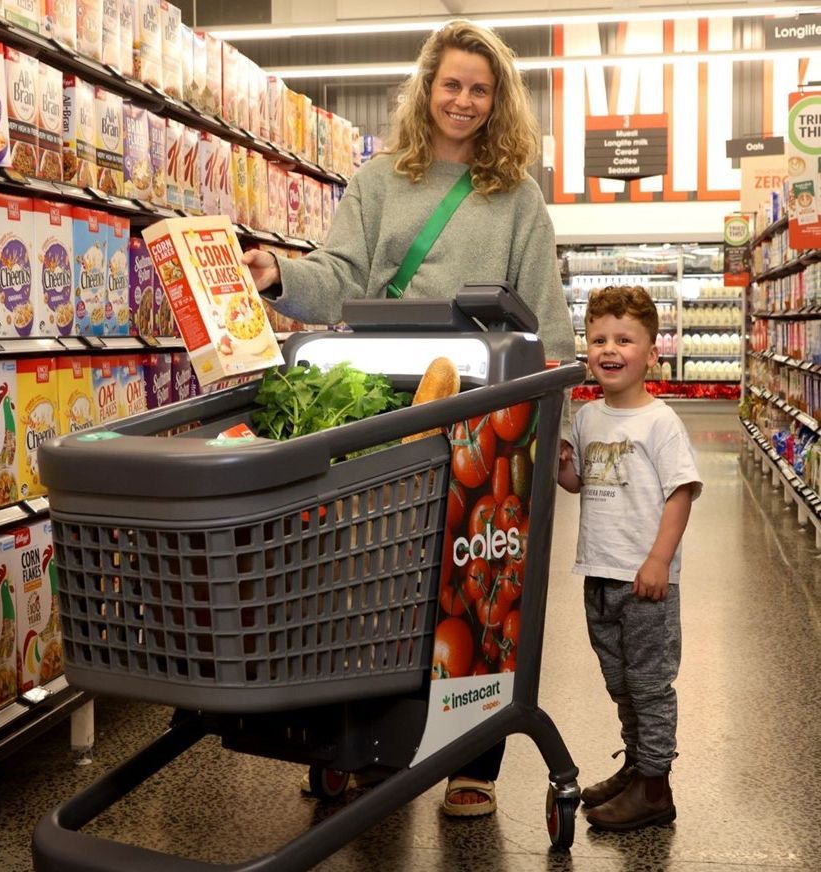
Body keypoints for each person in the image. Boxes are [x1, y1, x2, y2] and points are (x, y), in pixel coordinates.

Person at [243, 20, 575, 817]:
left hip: (486, 411)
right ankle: (368, 743)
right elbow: (339, 274)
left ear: (498, 102)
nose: (464, 100)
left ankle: (471, 760)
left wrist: (555, 430)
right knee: (373, 576)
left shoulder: (518, 197)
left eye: (480, 89)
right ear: (427, 89)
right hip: (386, 401)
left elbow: (550, 320)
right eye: (451, 84)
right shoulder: (379, 181)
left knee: (474, 581)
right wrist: (278, 274)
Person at [557, 285, 702, 831]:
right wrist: (559, 462)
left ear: (652, 353)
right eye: (598, 340)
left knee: (649, 686)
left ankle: (656, 789)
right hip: (598, 573)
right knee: (619, 683)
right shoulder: (587, 417)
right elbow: (577, 482)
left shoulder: (660, 422)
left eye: (624, 339)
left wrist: (659, 560)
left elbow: (681, 492)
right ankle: (637, 766)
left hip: (644, 582)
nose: (609, 350)